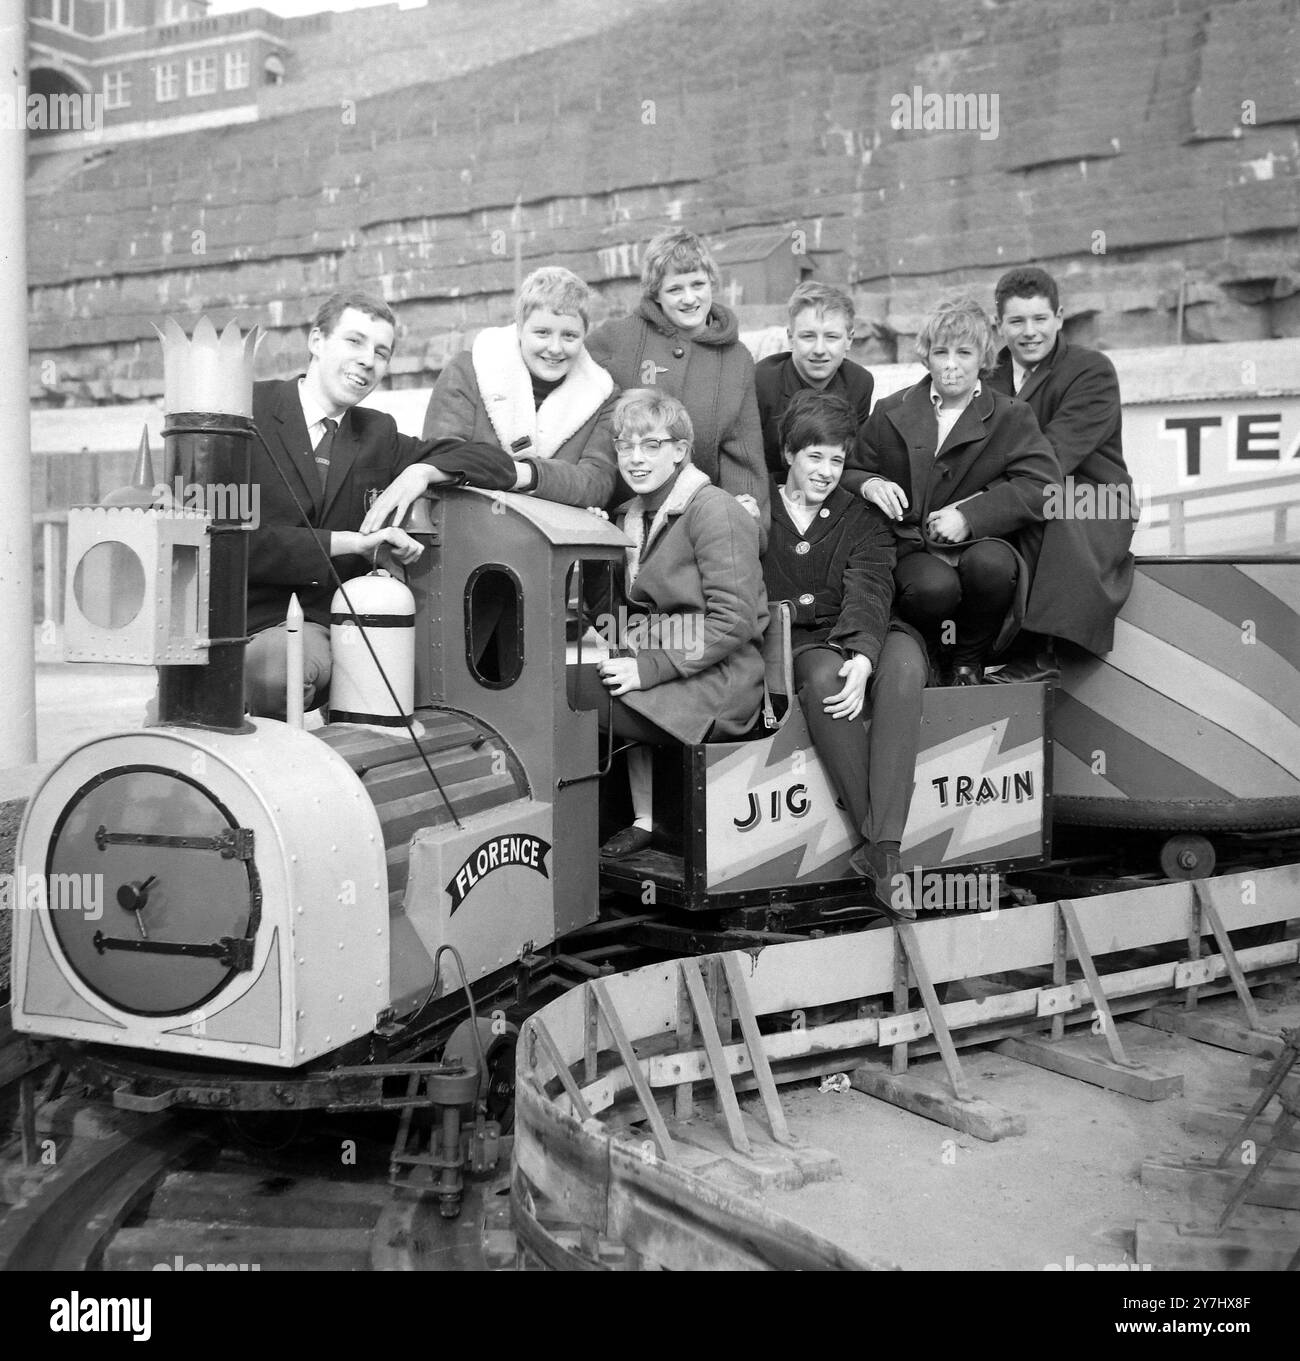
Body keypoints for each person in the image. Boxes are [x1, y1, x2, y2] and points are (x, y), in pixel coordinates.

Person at [246, 290, 493, 720]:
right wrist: (353, 543)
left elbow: (485, 459)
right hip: (234, 614)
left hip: (315, 626)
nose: (368, 361)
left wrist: (423, 473)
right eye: (354, 342)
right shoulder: (249, 409)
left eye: (382, 352)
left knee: (279, 673)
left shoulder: (377, 433)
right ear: (317, 341)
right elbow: (234, 538)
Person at [576, 390, 768, 859]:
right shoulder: (631, 516)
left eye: (651, 446)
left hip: (719, 678)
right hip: (665, 659)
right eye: (625, 446)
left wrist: (650, 667)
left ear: (681, 450)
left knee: (573, 694)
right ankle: (641, 821)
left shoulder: (715, 510)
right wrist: (594, 549)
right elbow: (615, 618)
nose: (635, 460)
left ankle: (577, 842)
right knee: (573, 675)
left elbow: (734, 619)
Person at [763, 390, 926, 920]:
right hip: (804, 637)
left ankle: (882, 850)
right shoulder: (755, 510)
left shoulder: (861, 514)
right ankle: (884, 852)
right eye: (815, 456)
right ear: (789, 454)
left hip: (871, 627)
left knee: (904, 670)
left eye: (837, 459)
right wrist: (838, 653)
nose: (827, 471)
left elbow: (871, 585)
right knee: (824, 678)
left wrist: (863, 654)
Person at [860, 296, 1061, 685]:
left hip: (977, 543)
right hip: (911, 546)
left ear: (983, 358)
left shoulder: (1011, 415)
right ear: (926, 357)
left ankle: (969, 662)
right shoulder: (890, 410)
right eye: (941, 352)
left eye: (964, 352)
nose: (951, 365)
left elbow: (1043, 485)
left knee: (992, 567)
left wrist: (971, 516)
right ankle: (933, 657)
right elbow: (853, 469)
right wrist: (871, 484)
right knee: (933, 589)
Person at [360, 266, 619, 531]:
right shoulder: (468, 369)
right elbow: (443, 456)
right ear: (519, 329)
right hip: (468, 529)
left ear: (584, 335)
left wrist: (519, 473)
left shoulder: (602, 394)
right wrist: (556, 483)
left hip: (557, 539)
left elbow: (596, 484)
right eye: (542, 333)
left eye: (570, 336)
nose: (555, 348)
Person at [985, 266, 1136, 680]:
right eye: (1016, 321)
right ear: (999, 325)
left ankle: (1042, 653)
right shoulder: (985, 378)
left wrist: (982, 502)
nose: (1029, 331)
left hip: (1093, 496)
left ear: (1060, 317)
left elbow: (1053, 458)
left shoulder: (1091, 370)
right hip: (1018, 489)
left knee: (1046, 511)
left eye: (1039, 319)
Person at [584, 228, 769, 536]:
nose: (689, 298)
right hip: (616, 520)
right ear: (655, 293)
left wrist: (745, 518)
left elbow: (742, 449)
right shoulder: (618, 339)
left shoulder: (737, 358)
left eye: (698, 284)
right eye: (675, 289)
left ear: (711, 283)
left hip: (694, 524)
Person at [754, 280, 874, 480]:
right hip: (771, 488)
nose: (819, 350)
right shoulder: (761, 382)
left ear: (849, 340)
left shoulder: (859, 383)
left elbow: (851, 460)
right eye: (808, 336)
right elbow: (749, 461)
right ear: (791, 338)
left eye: (831, 337)